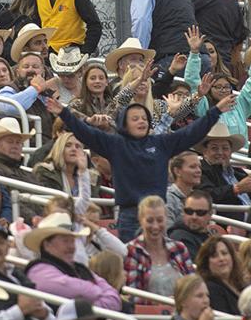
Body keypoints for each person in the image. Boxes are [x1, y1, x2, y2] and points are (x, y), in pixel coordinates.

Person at [43, 77, 236, 242]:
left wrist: (215, 111)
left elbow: (191, 133)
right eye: (135, 118)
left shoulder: (161, 143)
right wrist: (64, 113)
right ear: (124, 123)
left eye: (144, 118)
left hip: (158, 213)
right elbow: (86, 133)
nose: (141, 121)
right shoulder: (115, 144)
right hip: (130, 215)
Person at [24, 212, 121, 307]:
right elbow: (91, 291)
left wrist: (85, 307)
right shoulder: (39, 270)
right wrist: (98, 296)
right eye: (65, 241)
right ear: (47, 244)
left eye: (72, 241)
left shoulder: (80, 268)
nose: (71, 247)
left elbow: (115, 300)